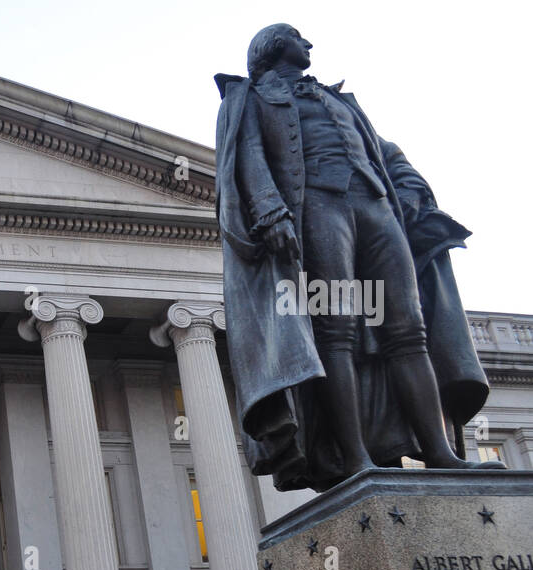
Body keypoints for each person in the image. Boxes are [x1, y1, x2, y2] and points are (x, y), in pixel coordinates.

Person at [214, 24, 503, 491]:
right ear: (273, 47)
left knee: (409, 329)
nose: (309, 45)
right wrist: (270, 212)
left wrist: (409, 192)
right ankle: (355, 456)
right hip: (318, 209)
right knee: (338, 328)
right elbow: (245, 158)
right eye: (298, 38)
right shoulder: (247, 96)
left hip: (375, 208)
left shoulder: (341, 101)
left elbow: (387, 154)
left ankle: (439, 451)